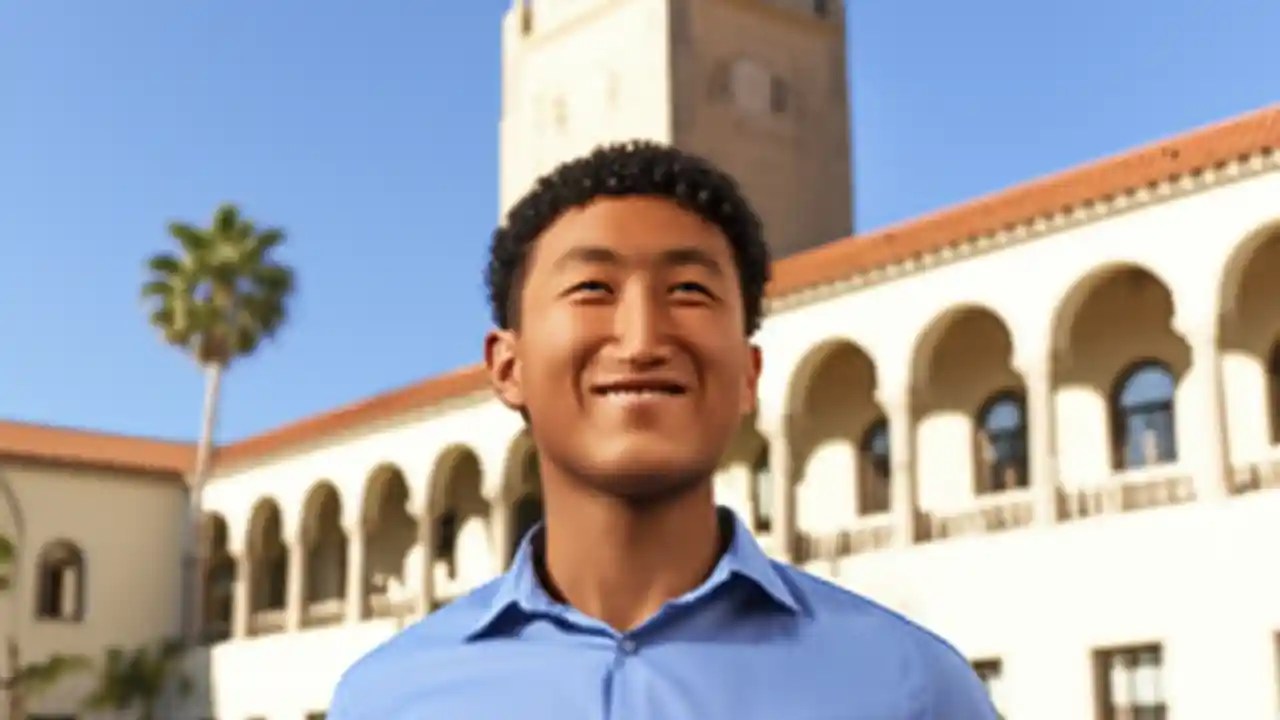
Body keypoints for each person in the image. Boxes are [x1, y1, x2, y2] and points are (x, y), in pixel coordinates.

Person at [328, 141, 999, 719]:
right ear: (509, 366)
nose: (643, 339)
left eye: (689, 292)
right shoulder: (386, 701)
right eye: (592, 288)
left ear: (747, 372)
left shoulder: (913, 691)